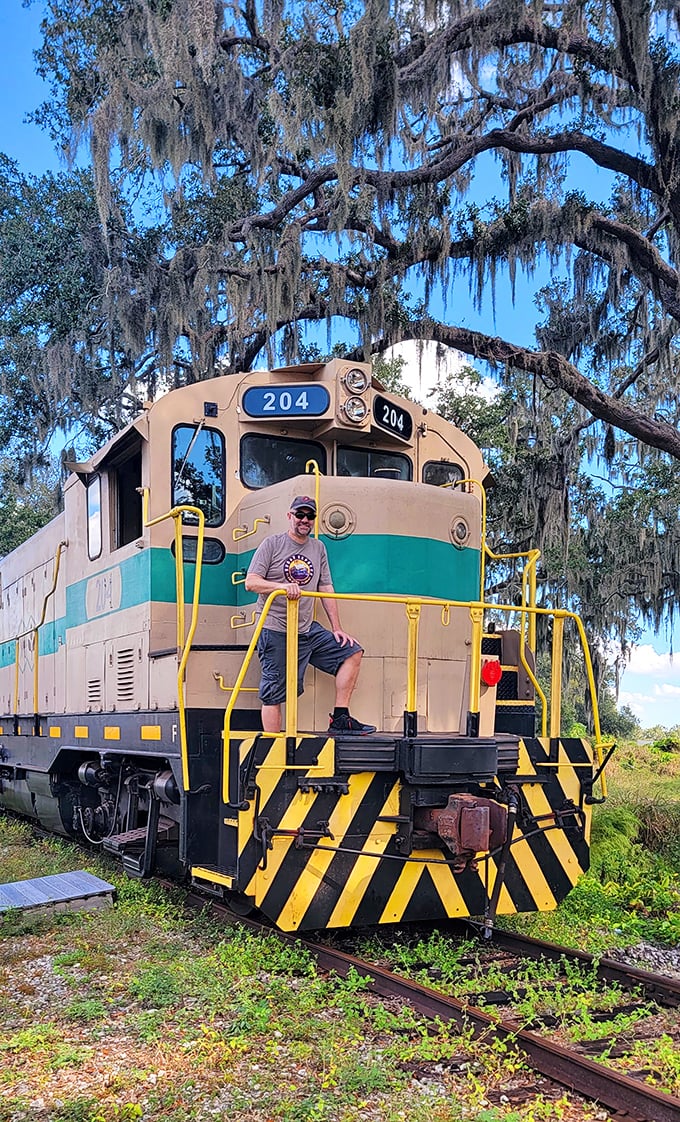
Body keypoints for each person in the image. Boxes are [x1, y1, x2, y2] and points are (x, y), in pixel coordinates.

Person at [245, 494, 376, 736]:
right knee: (273, 691)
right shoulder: (272, 544)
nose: (305, 520)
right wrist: (282, 587)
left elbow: (325, 587)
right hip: (276, 629)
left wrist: (336, 627)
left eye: (310, 516)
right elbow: (251, 582)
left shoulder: (318, 547)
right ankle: (275, 746)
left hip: (306, 629)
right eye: (300, 515)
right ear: (290, 517)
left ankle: (340, 718)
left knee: (352, 651)